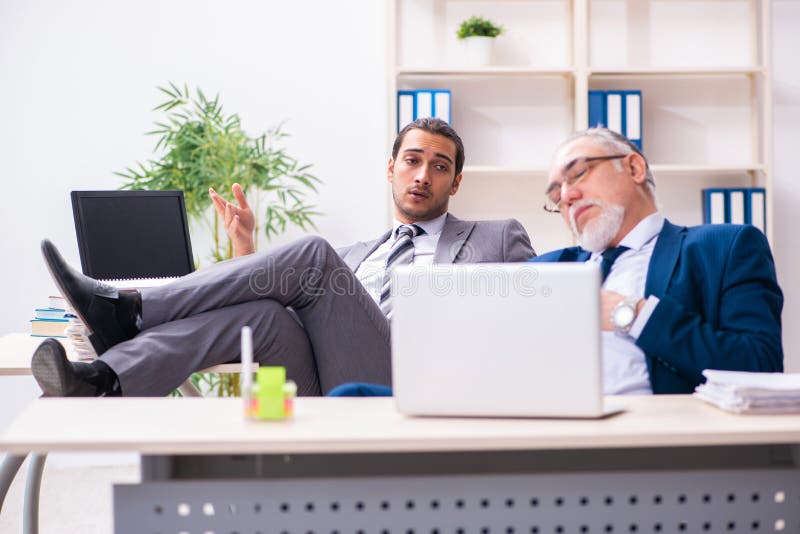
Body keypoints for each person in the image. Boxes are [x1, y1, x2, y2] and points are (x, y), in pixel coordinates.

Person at [31, 118, 535, 397]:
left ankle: (130, 310)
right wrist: (245, 249)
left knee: (312, 255)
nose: (423, 174)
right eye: (413, 160)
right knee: (264, 317)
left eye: (440, 166)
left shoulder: (496, 237)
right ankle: (102, 380)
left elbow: (545, 316)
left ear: (457, 181)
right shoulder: (356, 256)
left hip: (417, 383)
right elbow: (297, 324)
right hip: (327, 381)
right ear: (391, 169)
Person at [531, 127, 783, 394]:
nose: (568, 197)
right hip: (554, 427)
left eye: (579, 173)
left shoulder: (724, 247)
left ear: (634, 168)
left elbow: (760, 366)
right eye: (556, 196)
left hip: (660, 428)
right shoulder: (544, 271)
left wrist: (633, 314)